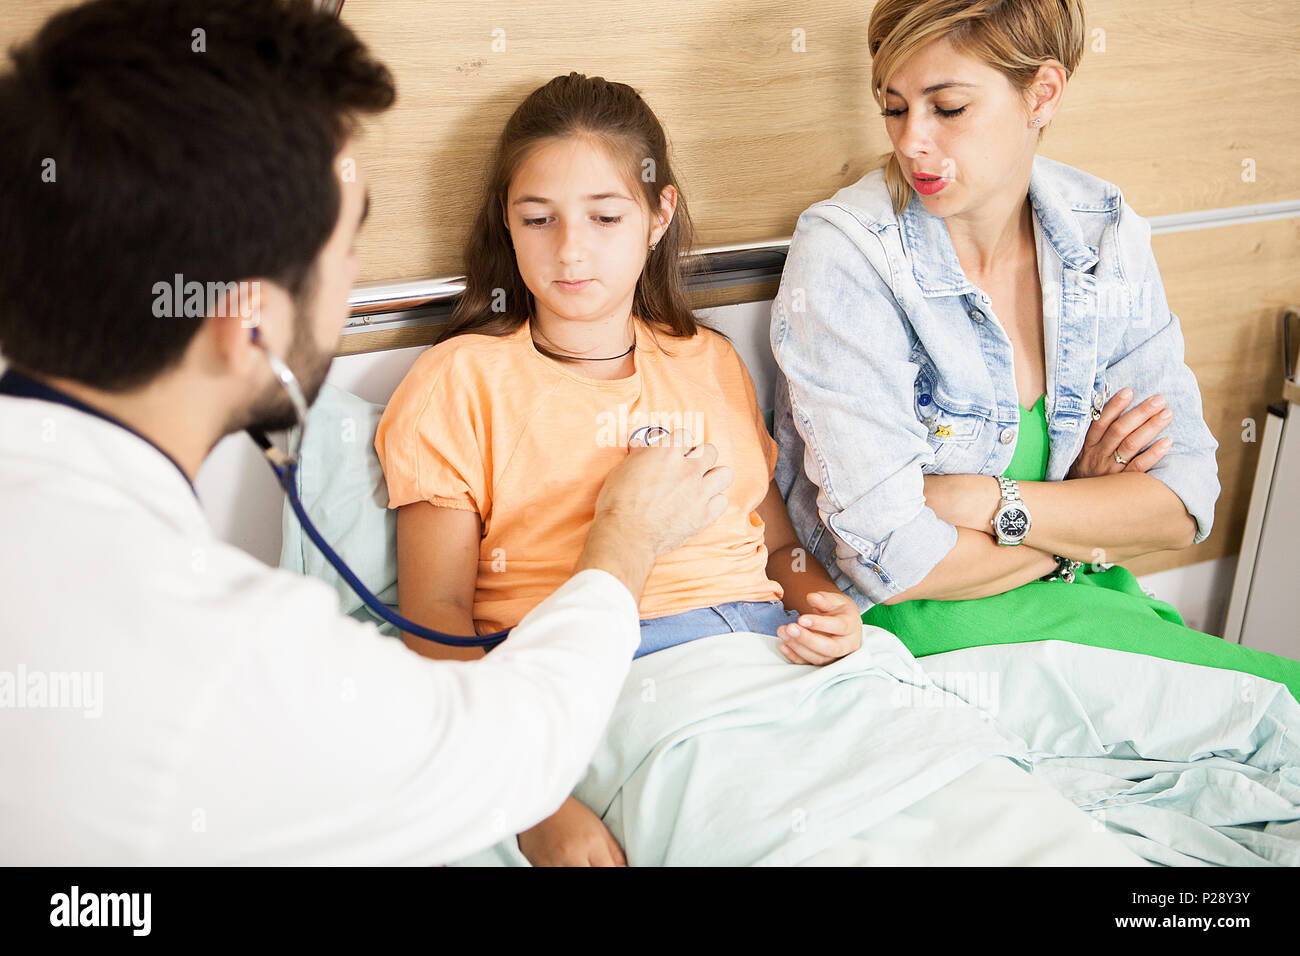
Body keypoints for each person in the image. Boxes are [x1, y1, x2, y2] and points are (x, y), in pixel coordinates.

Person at [0, 0, 733, 865]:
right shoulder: (234, 656)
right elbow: (503, 750)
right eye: (350, 250)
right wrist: (625, 537)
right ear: (251, 326)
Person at [372, 73, 866, 866]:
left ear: (658, 215)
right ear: (508, 220)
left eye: (605, 217)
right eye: (539, 219)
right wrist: (534, 804)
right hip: (615, 685)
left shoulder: (709, 362)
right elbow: (435, 619)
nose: (571, 250)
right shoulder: (461, 380)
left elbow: (779, 551)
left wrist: (823, 605)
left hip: (768, 657)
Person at [770, 0, 1300, 698]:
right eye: (895, 110)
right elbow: (900, 566)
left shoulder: (1103, 232)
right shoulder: (848, 255)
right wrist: (1078, 509)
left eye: (948, 108)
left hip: (1096, 604)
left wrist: (987, 499)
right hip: (932, 644)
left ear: (1042, 93)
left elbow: (1183, 501)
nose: (912, 142)